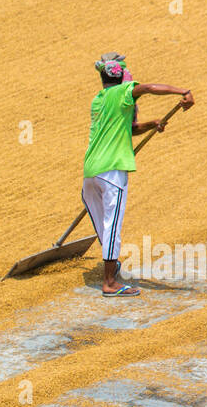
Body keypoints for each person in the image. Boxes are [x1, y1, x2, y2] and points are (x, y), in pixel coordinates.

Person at [82, 53, 193, 296]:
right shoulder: (123, 93)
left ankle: (111, 264)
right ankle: (109, 282)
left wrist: (152, 124)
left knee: (104, 226)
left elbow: (130, 130)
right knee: (112, 226)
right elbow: (150, 87)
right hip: (112, 172)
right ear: (121, 79)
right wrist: (182, 91)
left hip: (91, 173)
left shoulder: (99, 100)